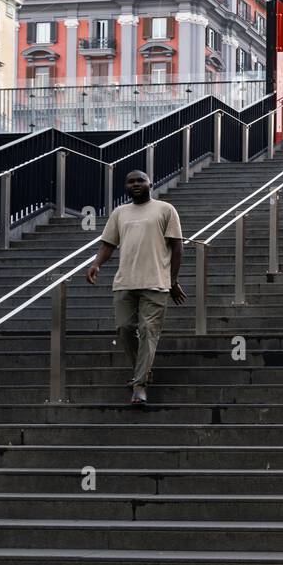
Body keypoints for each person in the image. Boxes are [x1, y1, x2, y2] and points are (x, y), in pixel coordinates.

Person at [85, 171, 185, 407]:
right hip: (125, 282)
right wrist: (96, 264)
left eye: (140, 180)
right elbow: (109, 244)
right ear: (126, 186)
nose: (136, 184)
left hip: (156, 283)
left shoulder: (165, 209)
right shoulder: (120, 213)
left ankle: (139, 387)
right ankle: (143, 371)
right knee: (124, 328)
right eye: (131, 181)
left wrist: (172, 281)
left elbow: (178, 248)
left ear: (150, 183)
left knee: (149, 330)